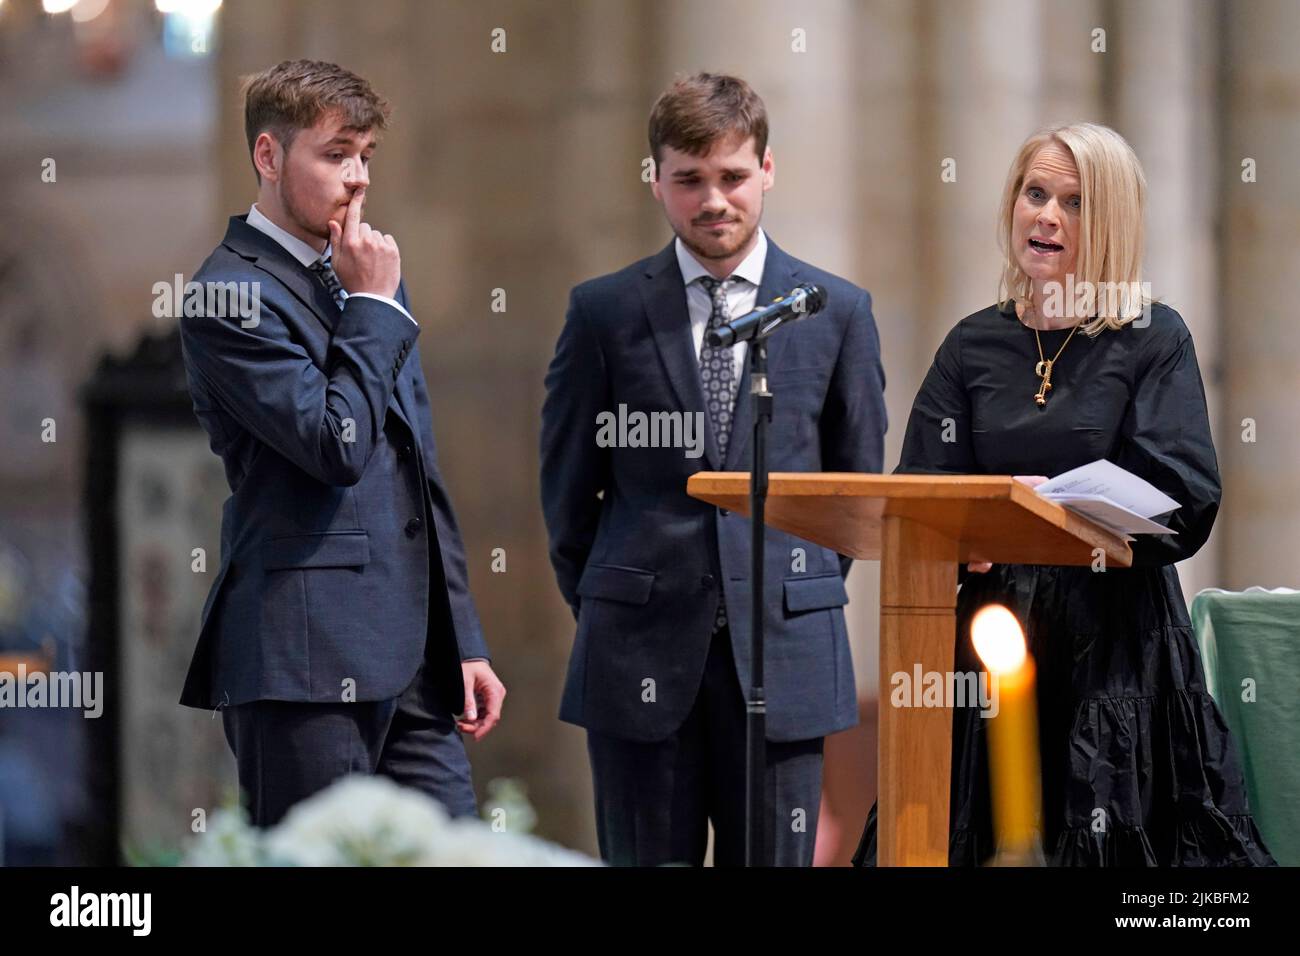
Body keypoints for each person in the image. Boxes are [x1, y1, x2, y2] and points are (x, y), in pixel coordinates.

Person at [853, 122, 1273, 866]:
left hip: (1112, 635)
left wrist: (1061, 505)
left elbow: (1185, 492)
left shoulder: (1151, 336)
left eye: (1074, 203)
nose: (1046, 216)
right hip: (993, 629)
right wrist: (983, 514)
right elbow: (920, 488)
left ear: (1111, 220)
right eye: (1035, 193)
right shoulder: (973, 344)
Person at [541, 73, 887, 866]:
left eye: (732, 176)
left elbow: (850, 492)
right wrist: (621, 598)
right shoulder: (604, 312)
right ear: (655, 180)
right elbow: (568, 499)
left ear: (767, 169)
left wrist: (781, 588)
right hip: (638, 649)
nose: (713, 201)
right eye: (688, 179)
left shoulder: (834, 311)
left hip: (784, 651)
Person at [177, 59, 505, 827]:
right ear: (268, 156)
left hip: (416, 662)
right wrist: (372, 308)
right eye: (335, 155)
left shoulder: (369, 280)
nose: (358, 178)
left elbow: (419, 471)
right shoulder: (227, 294)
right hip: (304, 661)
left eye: (365, 155)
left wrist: (463, 639)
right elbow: (335, 446)